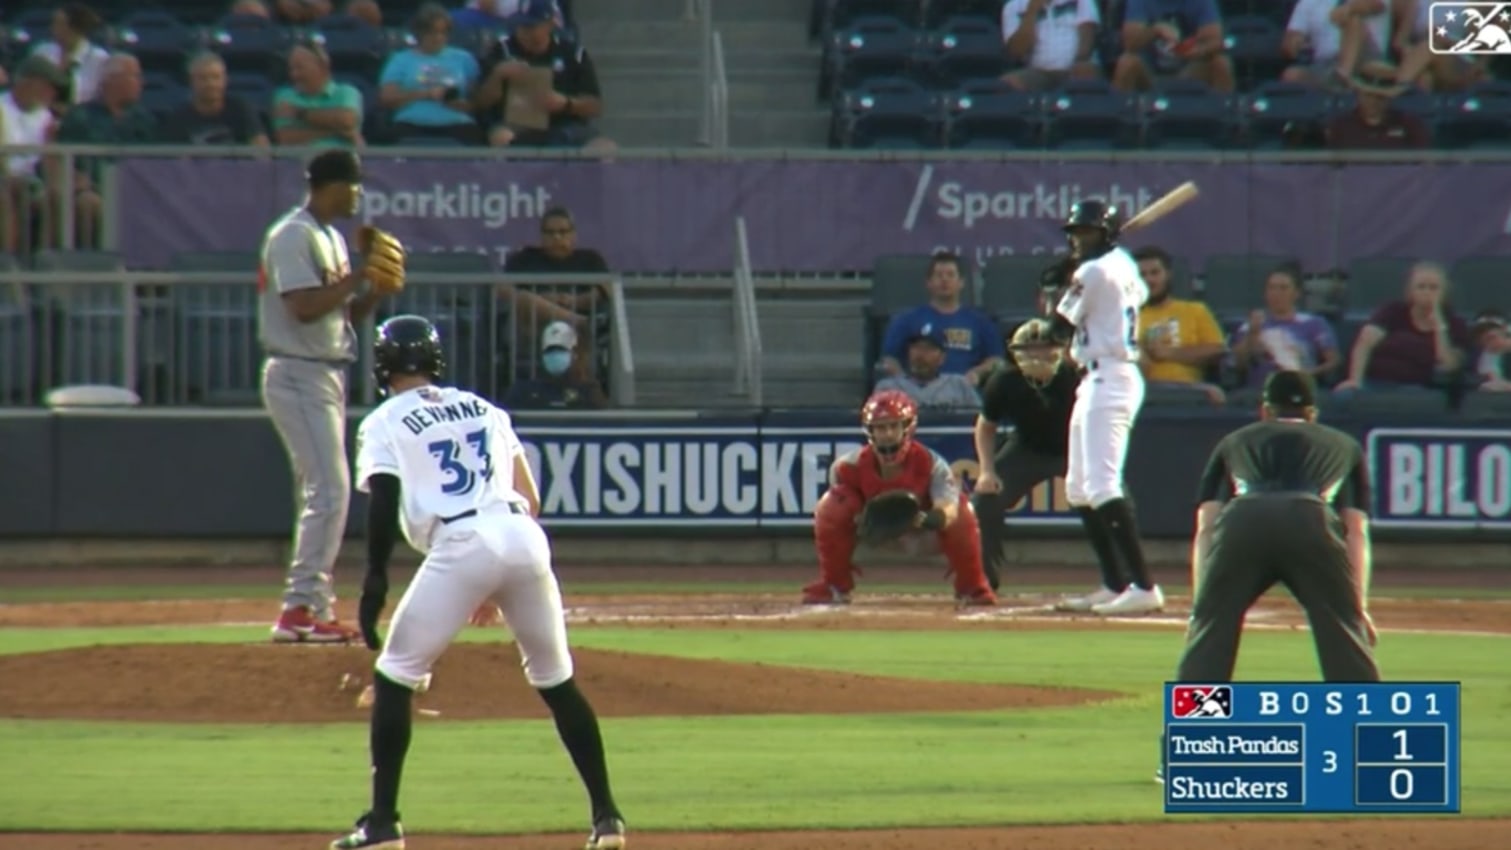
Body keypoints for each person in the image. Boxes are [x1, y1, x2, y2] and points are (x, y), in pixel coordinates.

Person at [334, 314, 625, 850]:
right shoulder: (485, 407)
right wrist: (500, 580)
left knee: (396, 675)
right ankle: (607, 818)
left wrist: (374, 577)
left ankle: (382, 824)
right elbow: (531, 499)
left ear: (381, 365)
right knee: (557, 682)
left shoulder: (382, 422)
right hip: (522, 536)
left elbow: (385, 498)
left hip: (462, 542)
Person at [1157, 370, 1379, 787]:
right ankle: (1368, 752)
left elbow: (1206, 525)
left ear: (1264, 409)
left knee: (1211, 634)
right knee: (1342, 635)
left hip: (1244, 520)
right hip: (1311, 521)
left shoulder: (1233, 442)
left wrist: (1203, 601)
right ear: (1311, 413)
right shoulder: (1345, 445)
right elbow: (1356, 531)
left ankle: (1187, 753)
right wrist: (1357, 605)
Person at [259, 150, 396, 644]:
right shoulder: (293, 234)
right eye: (354, 185)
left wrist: (373, 292)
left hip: (323, 370)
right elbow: (302, 307)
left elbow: (339, 315)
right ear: (332, 185)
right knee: (331, 490)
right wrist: (357, 276)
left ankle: (312, 606)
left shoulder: (331, 237)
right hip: (297, 370)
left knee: (322, 491)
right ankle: (299, 608)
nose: (359, 195)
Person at [1042, 201, 1164, 615]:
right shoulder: (1123, 262)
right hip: (1098, 378)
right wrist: (1076, 277)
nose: (1078, 240)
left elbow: (1055, 331)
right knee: (1078, 487)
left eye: (1087, 233)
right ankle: (1114, 583)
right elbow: (1140, 294)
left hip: (1109, 376)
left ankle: (1144, 586)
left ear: (1105, 234)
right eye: (1075, 233)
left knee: (1102, 485)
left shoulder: (1093, 271)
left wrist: (1061, 286)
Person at [973, 317, 1129, 598]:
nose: (1037, 357)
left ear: (1061, 350)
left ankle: (1123, 580)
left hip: (1077, 446)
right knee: (984, 502)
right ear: (1015, 352)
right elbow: (985, 426)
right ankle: (982, 581)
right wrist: (986, 470)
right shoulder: (1004, 380)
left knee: (1113, 501)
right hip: (1027, 448)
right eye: (1029, 350)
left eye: (1045, 349)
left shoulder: (1078, 377)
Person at [803, 390, 997, 608]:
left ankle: (972, 586)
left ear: (907, 427)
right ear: (870, 431)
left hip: (923, 534)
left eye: (893, 426)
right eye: (880, 427)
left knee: (964, 510)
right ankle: (834, 584)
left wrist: (923, 519)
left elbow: (948, 510)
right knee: (830, 505)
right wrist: (866, 521)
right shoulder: (846, 467)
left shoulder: (931, 464)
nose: (886, 434)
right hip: (874, 533)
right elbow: (842, 513)